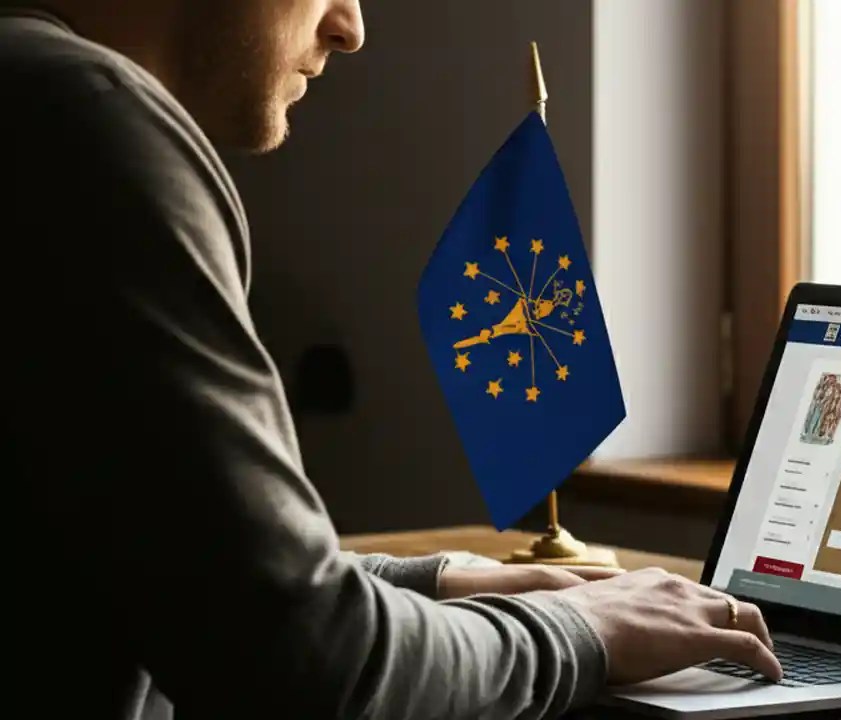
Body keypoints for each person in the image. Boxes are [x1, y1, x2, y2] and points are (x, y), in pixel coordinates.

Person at [0, 2, 781, 719]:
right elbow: (308, 662)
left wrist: (438, 580)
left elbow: (191, 580)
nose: (350, 26)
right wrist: (579, 631)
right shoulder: (83, 119)